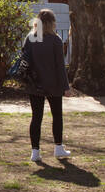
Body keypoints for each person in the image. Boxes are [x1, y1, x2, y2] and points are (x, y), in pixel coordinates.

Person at [20, 9, 71, 162]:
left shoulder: (30, 38)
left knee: (36, 117)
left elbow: (24, 58)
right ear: (52, 22)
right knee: (57, 116)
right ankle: (58, 147)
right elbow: (60, 66)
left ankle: (35, 151)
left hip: (34, 83)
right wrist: (65, 87)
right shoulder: (55, 40)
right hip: (53, 84)